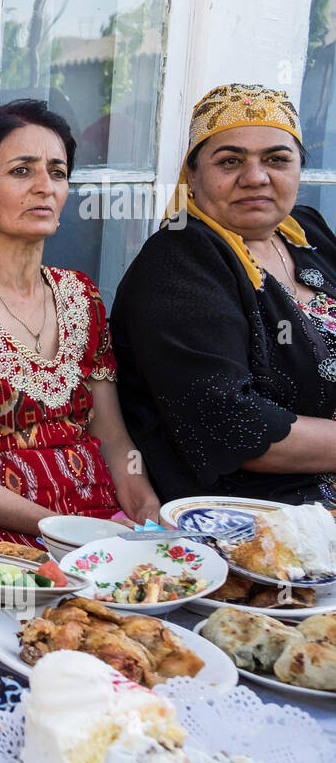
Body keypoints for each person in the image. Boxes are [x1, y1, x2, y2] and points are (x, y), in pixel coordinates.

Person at [0, 100, 160, 548]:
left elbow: (113, 436)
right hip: (5, 537)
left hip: (103, 523)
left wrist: (147, 513)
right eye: (22, 171)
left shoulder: (82, 296)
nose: (44, 187)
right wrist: (67, 530)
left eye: (57, 172)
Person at [111, 84, 336, 507]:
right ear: (192, 177)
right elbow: (232, 425)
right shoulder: (180, 258)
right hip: (255, 511)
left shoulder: (307, 233)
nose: (255, 177)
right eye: (230, 161)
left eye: (277, 159)